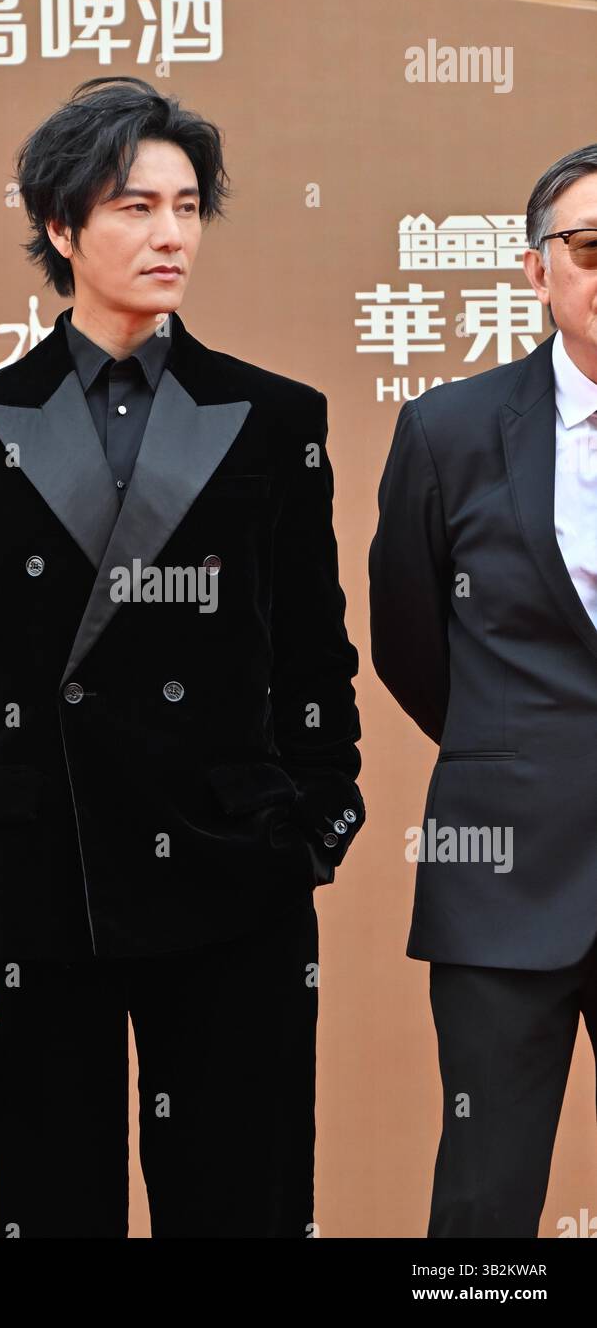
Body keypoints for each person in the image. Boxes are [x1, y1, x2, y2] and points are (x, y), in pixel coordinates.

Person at [0, 75, 365, 1238]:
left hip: (232, 874)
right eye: (133, 206)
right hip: (37, 884)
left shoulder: (270, 418)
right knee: (55, 1208)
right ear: (61, 227)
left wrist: (314, 824)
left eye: (187, 206)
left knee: (240, 1204)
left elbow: (314, 656)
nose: (168, 235)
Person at [369, 143, 597, 1238]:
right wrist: (512, 749)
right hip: (503, 877)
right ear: (535, 270)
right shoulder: (448, 431)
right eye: (591, 248)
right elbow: (410, 643)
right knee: (483, 1198)